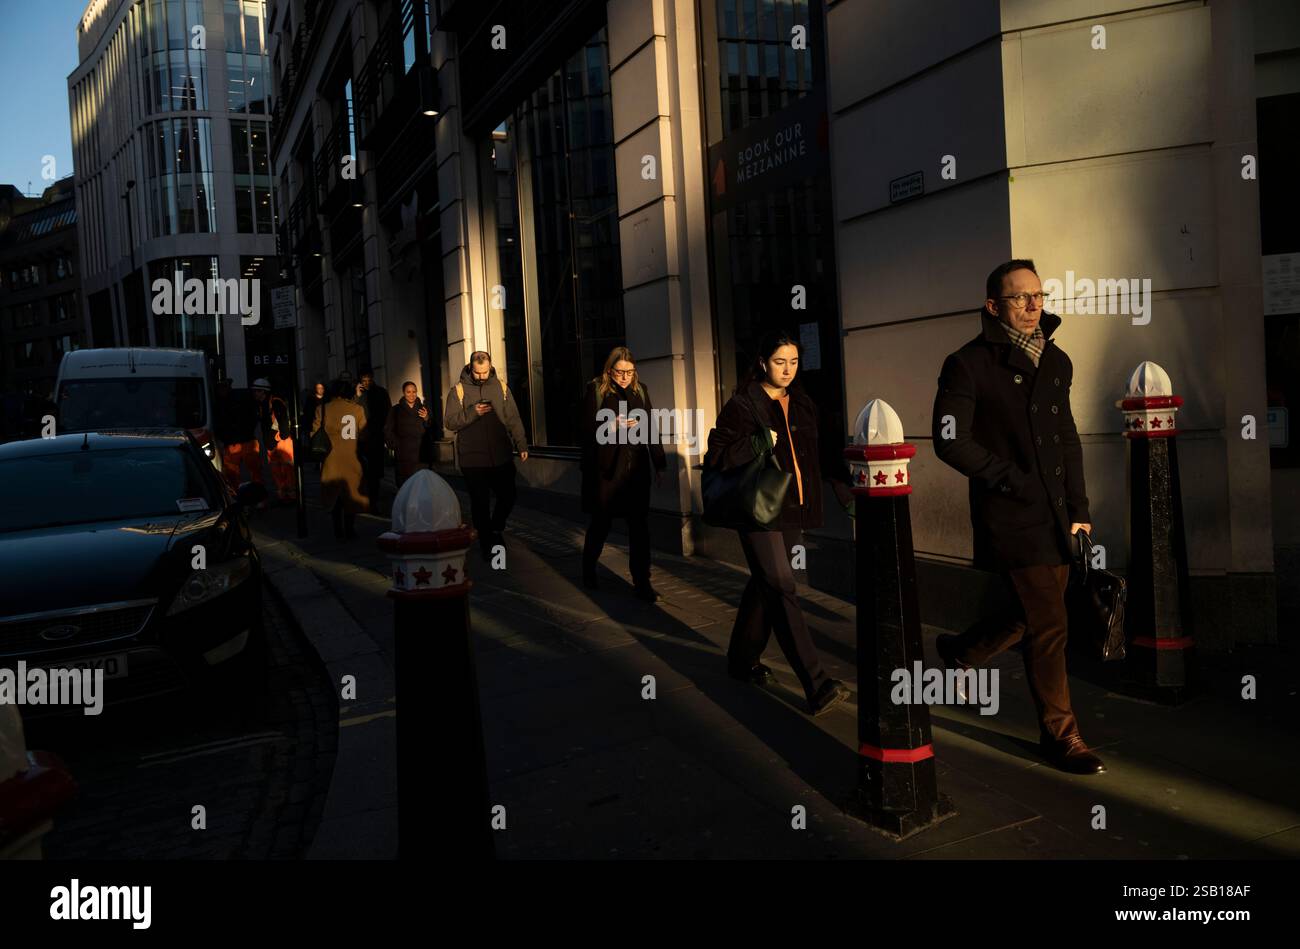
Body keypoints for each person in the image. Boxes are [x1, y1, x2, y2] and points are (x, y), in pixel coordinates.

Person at [930, 258, 1104, 775]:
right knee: (1050, 622)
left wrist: (1080, 508)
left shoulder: (1058, 360)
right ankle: (1062, 734)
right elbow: (947, 439)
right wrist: (1006, 477)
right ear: (993, 306)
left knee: (1031, 613)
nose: (1033, 305)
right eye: (1019, 297)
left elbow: (1067, 437)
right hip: (1010, 512)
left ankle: (962, 653)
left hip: (1055, 513)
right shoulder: (968, 364)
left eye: (1039, 295)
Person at [705, 330, 854, 716]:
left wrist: (841, 487)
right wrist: (755, 444)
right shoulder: (743, 405)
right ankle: (817, 683)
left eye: (793, 362)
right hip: (759, 510)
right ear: (762, 363)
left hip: (793, 509)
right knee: (782, 585)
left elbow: (820, 452)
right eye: (779, 362)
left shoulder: (803, 402)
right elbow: (716, 457)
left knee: (765, 584)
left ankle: (741, 660)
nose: (787, 370)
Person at [580, 347, 667, 603]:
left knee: (640, 529)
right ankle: (588, 570)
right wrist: (612, 424)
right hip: (608, 470)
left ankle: (642, 583)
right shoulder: (596, 390)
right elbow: (585, 430)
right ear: (610, 370)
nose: (625, 377)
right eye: (620, 372)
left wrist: (659, 463)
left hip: (636, 470)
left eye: (630, 371)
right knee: (601, 524)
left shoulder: (641, 390)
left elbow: (651, 426)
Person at [443, 351, 529, 558]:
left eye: (485, 372)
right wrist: (473, 412)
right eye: (477, 372)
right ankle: (487, 543)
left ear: (490, 367)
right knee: (480, 503)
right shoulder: (459, 391)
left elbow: (513, 418)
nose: (481, 376)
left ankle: (495, 527)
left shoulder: (500, 387)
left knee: (508, 496)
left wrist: (522, 443)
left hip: (501, 455)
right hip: (473, 459)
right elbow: (450, 422)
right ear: (470, 368)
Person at [313, 378, 369, 539]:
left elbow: (314, 433)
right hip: (352, 456)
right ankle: (350, 529)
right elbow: (365, 434)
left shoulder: (322, 409)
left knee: (334, 495)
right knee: (350, 493)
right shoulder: (357, 409)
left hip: (331, 458)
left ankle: (338, 529)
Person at [251, 378, 296, 504]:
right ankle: (282, 494)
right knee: (276, 469)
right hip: (272, 443)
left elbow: (283, 423)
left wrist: (278, 438)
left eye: (257, 391)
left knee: (287, 468)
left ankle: (291, 495)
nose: (255, 394)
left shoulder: (275, 403)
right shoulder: (263, 405)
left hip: (282, 442)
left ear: (264, 391)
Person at [215, 379, 264, 494]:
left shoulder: (222, 403)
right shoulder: (240, 399)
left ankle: (240, 496)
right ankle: (252, 496)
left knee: (247, 471)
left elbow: (219, 424)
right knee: (242, 472)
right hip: (241, 441)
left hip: (239, 442)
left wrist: (224, 437)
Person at [385, 381, 433, 489]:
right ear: (403, 393)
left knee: (421, 487)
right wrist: (395, 445)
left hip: (420, 454)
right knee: (405, 486)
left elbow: (431, 428)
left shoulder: (423, 408)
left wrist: (426, 419)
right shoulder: (396, 410)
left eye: (414, 392)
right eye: (408, 392)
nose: (411, 394)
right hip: (403, 454)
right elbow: (388, 430)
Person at [356, 370, 391, 515]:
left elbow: (387, 412)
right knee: (364, 472)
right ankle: (366, 501)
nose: (366, 383)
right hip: (362, 438)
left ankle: (373, 502)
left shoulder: (381, 392)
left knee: (375, 474)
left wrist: (385, 432)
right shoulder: (359, 395)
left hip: (376, 437)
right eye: (363, 380)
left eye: (368, 380)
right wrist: (357, 396)